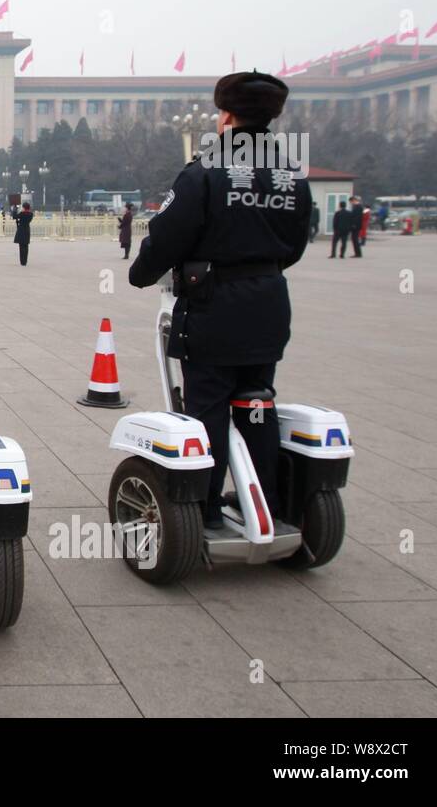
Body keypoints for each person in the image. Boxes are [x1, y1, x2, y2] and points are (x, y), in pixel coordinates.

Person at [128, 71, 311, 530]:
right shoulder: (291, 173)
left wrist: (141, 273)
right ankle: (266, 500)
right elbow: (294, 245)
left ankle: (203, 507)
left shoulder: (206, 171)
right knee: (256, 400)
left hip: (214, 307)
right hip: (269, 304)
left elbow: (168, 235)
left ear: (225, 116)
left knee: (206, 404)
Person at [14, 201, 34, 266]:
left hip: (21, 230)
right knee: (26, 247)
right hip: (27, 230)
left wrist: (15, 209)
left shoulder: (22, 213)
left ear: (24, 207)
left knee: (21, 247)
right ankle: (25, 261)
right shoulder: (31, 214)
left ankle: (22, 261)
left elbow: (14, 216)